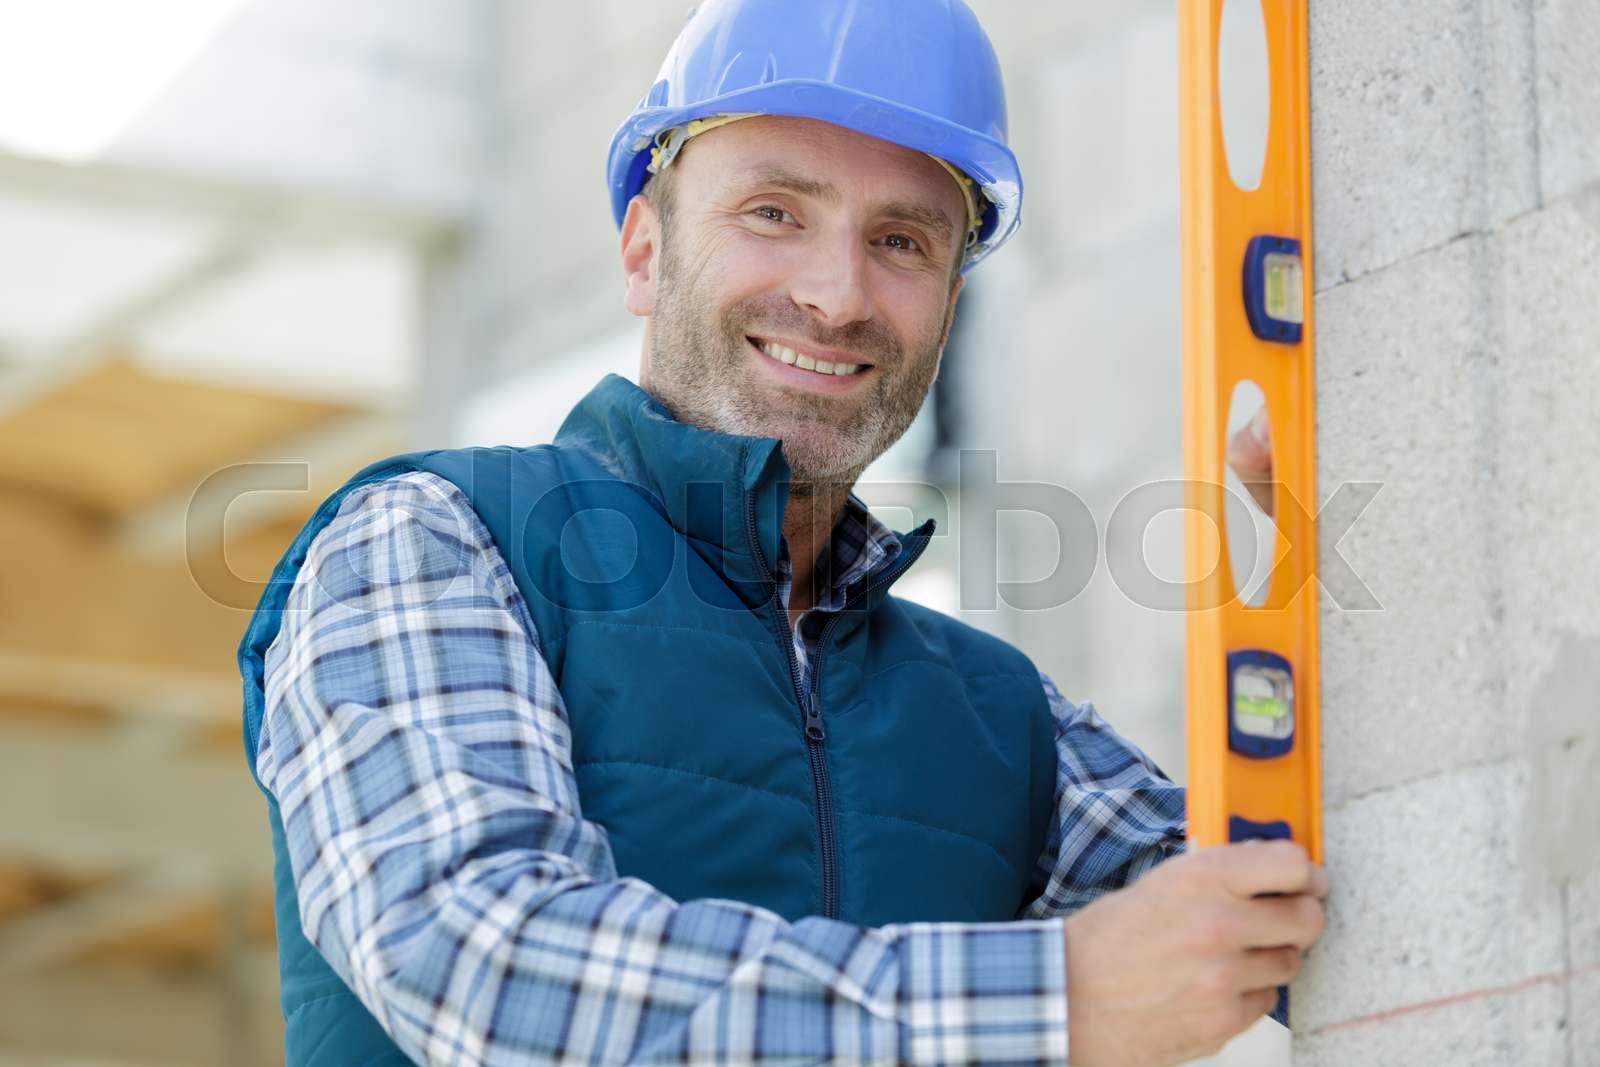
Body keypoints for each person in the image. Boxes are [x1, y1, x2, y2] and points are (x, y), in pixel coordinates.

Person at [236, 1, 1326, 1064]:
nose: (837, 294)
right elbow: (484, 962)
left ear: (949, 302)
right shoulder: (437, 540)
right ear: (644, 249)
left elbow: (1308, 906)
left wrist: (1331, 554)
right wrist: (1059, 999)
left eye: (901, 241)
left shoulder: (997, 713)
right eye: (774, 212)